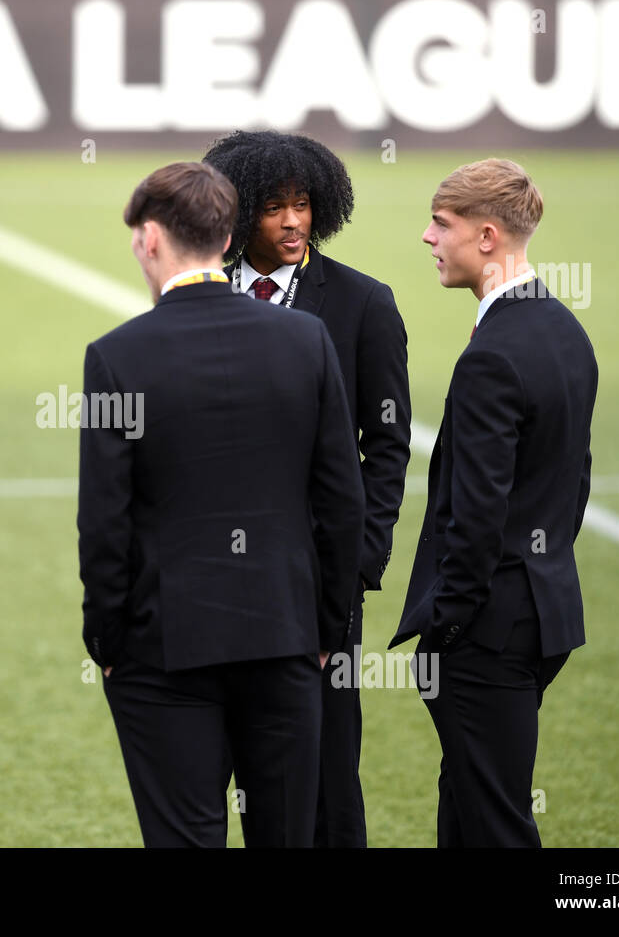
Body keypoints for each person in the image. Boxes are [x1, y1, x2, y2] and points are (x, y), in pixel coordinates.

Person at [78, 162, 365, 847]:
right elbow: (342, 500)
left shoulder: (117, 357)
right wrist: (325, 630)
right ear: (229, 233)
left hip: (163, 647)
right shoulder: (305, 339)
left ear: (150, 239)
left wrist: (107, 641)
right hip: (284, 636)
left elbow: (104, 522)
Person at [204, 130, 412, 847]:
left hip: (318, 585)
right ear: (235, 213)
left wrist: (359, 558)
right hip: (213, 581)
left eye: (303, 204)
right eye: (273, 207)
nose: (293, 221)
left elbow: (387, 444)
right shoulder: (197, 300)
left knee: (321, 778)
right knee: (210, 774)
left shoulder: (363, 304)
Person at [390, 159, 597, 847]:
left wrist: (446, 628)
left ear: (485, 236)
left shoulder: (492, 356)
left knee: (496, 823)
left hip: (488, 632)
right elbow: (576, 480)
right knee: (469, 804)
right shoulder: (566, 331)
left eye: (439, 224)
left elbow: (474, 517)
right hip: (544, 614)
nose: (427, 237)